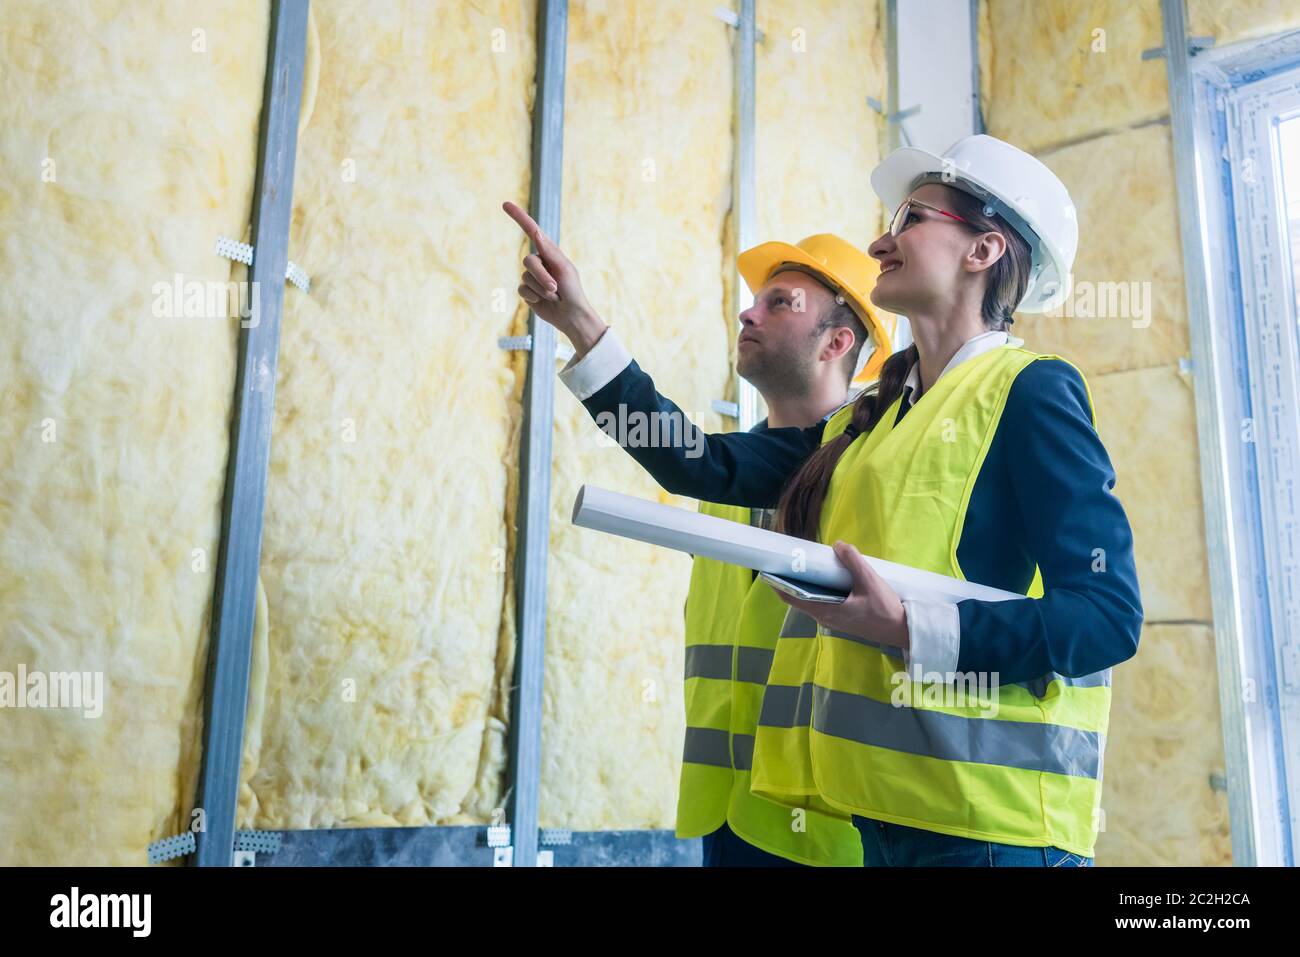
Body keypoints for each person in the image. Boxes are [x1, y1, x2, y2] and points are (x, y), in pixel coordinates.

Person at [502, 133, 1142, 867]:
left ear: (984, 250)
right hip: (882, 817)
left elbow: (1105, 617)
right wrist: (583, 326)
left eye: (911, 219)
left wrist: (910, 630)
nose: (880, 240)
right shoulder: (860, 423)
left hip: (993, 833)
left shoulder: (1028, 392)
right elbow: (697, 464)